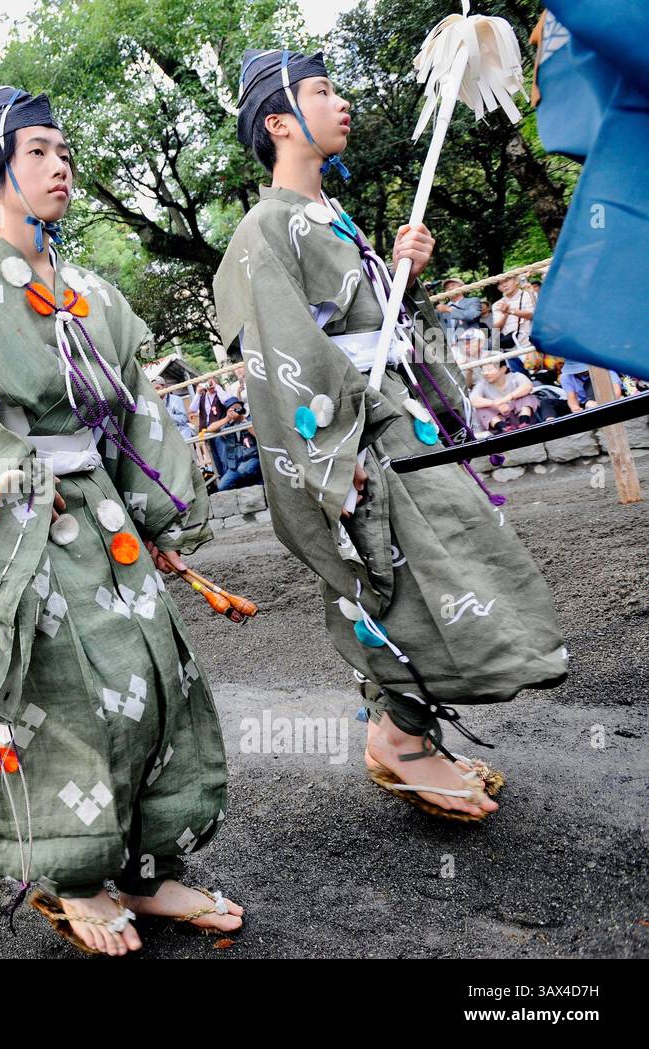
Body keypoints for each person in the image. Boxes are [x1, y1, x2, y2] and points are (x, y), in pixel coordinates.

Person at [0, 83, 240, 957]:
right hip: (25, 529)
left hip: (105, 517)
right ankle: (76, 877)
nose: (60, 166)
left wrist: (155, 514)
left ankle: (147, 868)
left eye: (64, 151)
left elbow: (136, 412)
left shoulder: (96, 298)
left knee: (153, 679)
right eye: (38, 151)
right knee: (67, 695)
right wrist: (14, 483)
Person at [213, 48, 567, 824]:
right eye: (321, 91)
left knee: (442, 566)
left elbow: (387, 333)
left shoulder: (331, 220)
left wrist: (400, 274)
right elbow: (284, 358)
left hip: (394, 419)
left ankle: (410, 730)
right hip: (356, 437)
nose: (341, 103)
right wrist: (336, 461)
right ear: (279, 121)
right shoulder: (263, 230)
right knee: (400, 581)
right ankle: (397, 736)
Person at [470, 359, 539, 433]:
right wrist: (494, 403)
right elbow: (473, 400)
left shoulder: (515, 376)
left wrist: (506, 399)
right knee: (481, 408)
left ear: (503, 369)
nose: (486, 373)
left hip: (520, 414)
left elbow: (528, 386)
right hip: (501, 418)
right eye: (483, 370)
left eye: (489, 370)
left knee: (525, 396)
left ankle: (524, 423)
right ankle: (504, 428)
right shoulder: (482, 384)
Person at [491, 273, 536, 373]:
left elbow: (533, 316)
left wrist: (510, 310)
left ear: (516, 281)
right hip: (510, 350)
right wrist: (505, 316)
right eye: (499, 283)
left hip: (531, 345)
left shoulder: (529, 294)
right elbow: (496, 328)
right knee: (520, 380)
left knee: (539, 377)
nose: (503, 285)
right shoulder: (497, 304)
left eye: (506, 281)